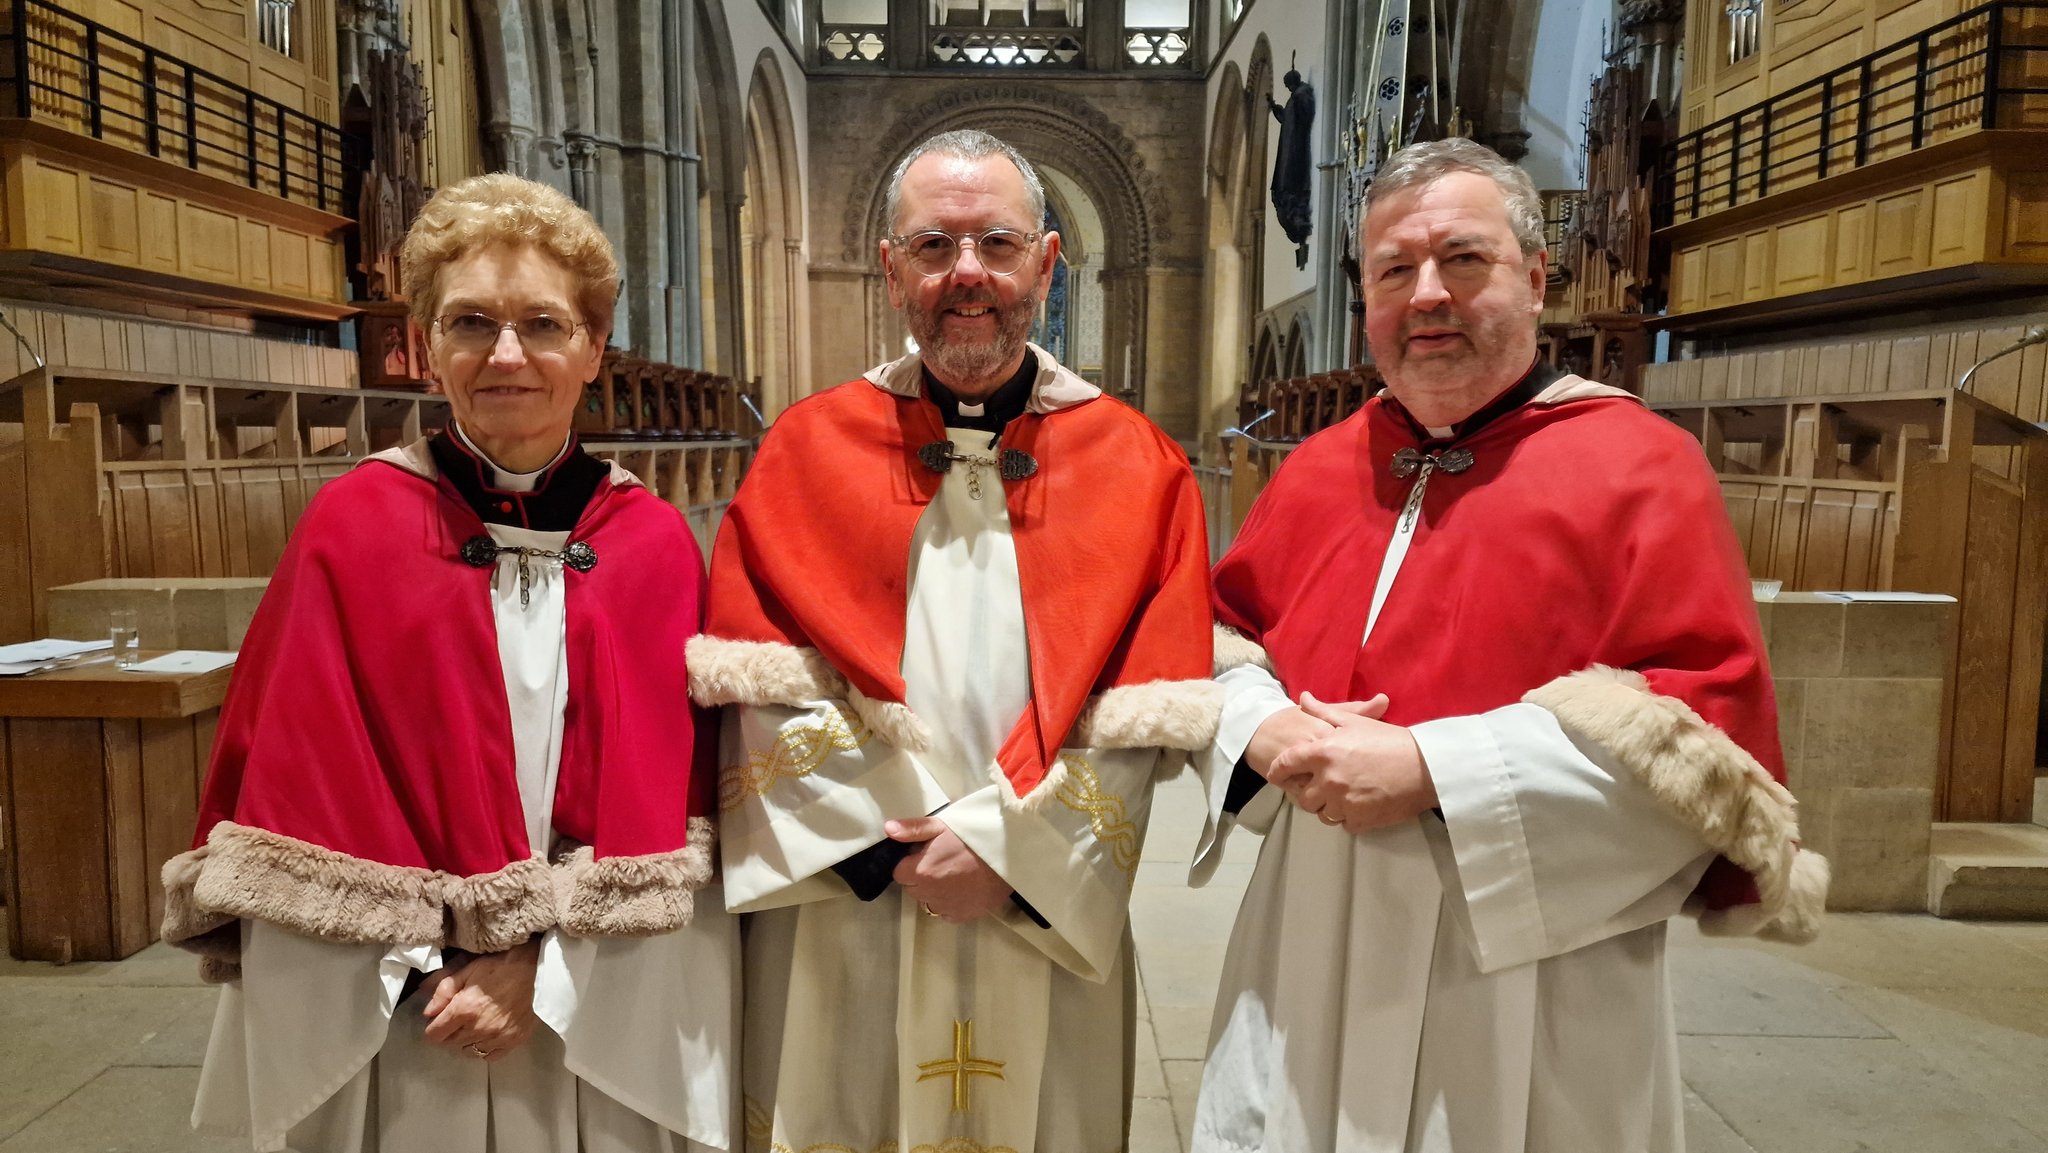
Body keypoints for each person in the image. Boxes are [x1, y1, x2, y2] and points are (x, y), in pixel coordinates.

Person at [1190, 138, 1829, 1152]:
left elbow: (1702, 748)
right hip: (1306, 947)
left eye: (1463, 259)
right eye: (1394, 269)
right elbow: (1221, 645)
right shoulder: (1317, 469)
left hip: (1527, 983)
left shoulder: (1639, 468)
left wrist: (1435, 767)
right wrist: (1260, 728)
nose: (1426, 293)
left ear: (1534, 279)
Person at [160, 173, 735, 1153]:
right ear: (424, 348)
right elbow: (301, 798)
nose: (507, 354)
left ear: (592, 348)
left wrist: (537, 966)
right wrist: (434, 966)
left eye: (543, 325)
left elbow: (671, 820)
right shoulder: (353, 530)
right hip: (404, 1015)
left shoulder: (653, 546)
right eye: (472, 323)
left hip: (590, 1012)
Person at [688, 128, 1216, 1153]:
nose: (965, 274)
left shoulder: (1137, 463)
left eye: (996, 244)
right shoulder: (805, 448)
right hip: (846, 900)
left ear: (1047, 265)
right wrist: (886, 849)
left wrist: (1011, 856)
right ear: (891, 270)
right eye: (932, 246)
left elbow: (1145, 702)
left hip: (1035, 912)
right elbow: (754, 675)